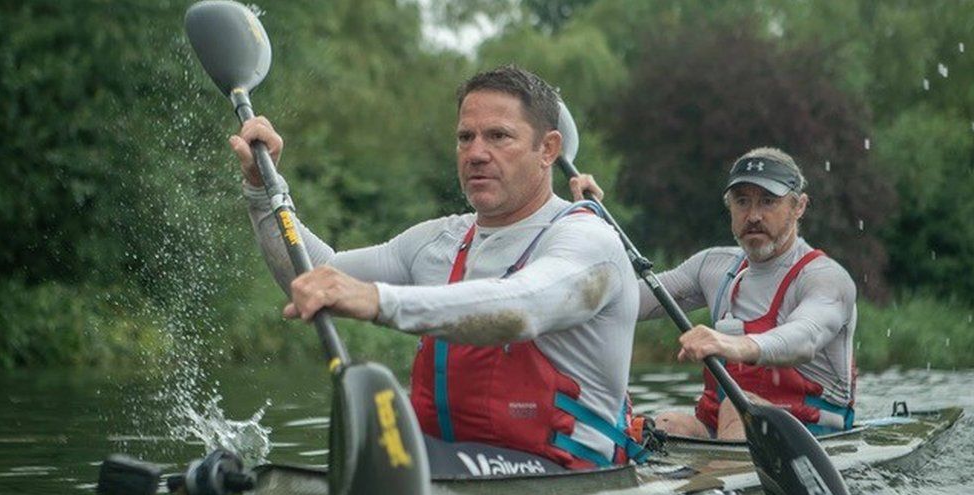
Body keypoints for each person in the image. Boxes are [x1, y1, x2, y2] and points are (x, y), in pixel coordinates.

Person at [230, 65, 645, 470]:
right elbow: (316, 274)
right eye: (466, 137)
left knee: (393, 456)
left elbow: (522, 308)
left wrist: (376, 299)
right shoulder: (436, 242)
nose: (477, 153)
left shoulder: (589, 242)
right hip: (448, 469)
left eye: (498, 136)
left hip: (566, 477)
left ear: (548, 150)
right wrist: (262, 188)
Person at [572, 147, 857, 440]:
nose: (754, 215)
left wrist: (732, 345)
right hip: (725, 429)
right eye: (742, 201)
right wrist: (588, 225)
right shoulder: (713, 266)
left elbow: (806, 338)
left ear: (799, 207)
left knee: (739, 406)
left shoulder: (825, 278)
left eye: (768, 201)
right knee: (665, 425)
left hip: (812, 434)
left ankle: (716, 483)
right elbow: (618, 300)